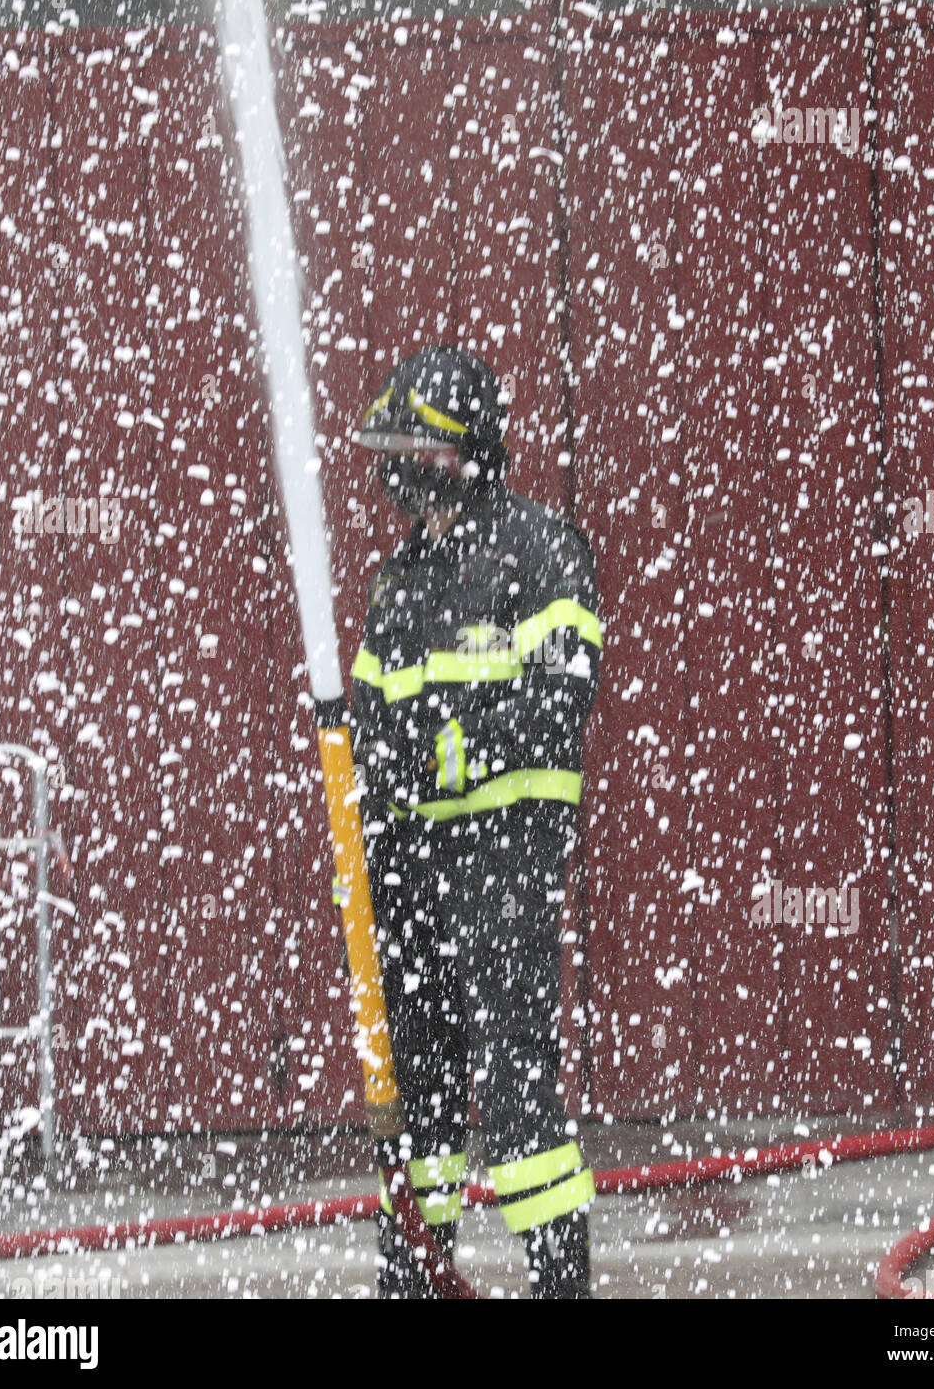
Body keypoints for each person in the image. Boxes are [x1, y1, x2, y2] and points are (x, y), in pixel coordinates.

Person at [349, 345, 603, 1299]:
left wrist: (450, 754)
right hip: (409, 854)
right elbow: (373, 721)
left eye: (411, 442)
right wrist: (370, 813)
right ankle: (412, 1274)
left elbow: (560, 694)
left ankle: (557, 1281)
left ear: (461, 450)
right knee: (421, 1083)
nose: (394, 463)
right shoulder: (398, 579)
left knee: (517, 1076)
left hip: (505, 851)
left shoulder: (540, 548)